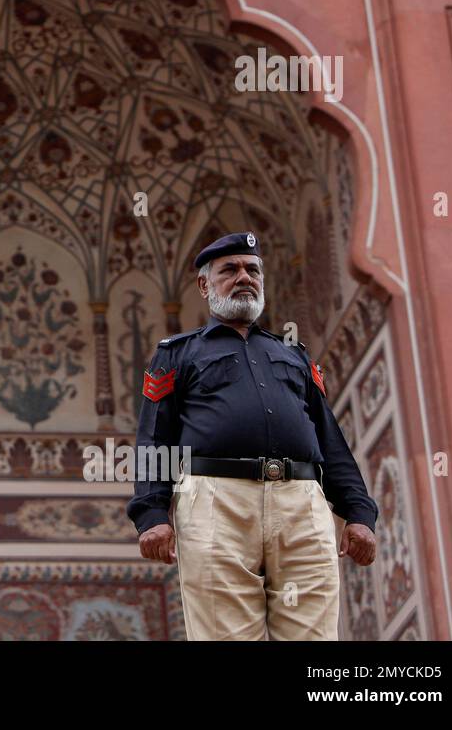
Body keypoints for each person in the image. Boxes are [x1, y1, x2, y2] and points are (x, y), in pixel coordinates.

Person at [128, 231, 378, 640]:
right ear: (205, 285)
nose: (244, 277)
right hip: (216, 503)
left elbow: (329, 441)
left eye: (252, 269)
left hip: (302, 503)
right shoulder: (178, 353)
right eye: (230, 270)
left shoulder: (293, 353)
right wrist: (151, 515)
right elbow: (154, 438)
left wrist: (359, 513)